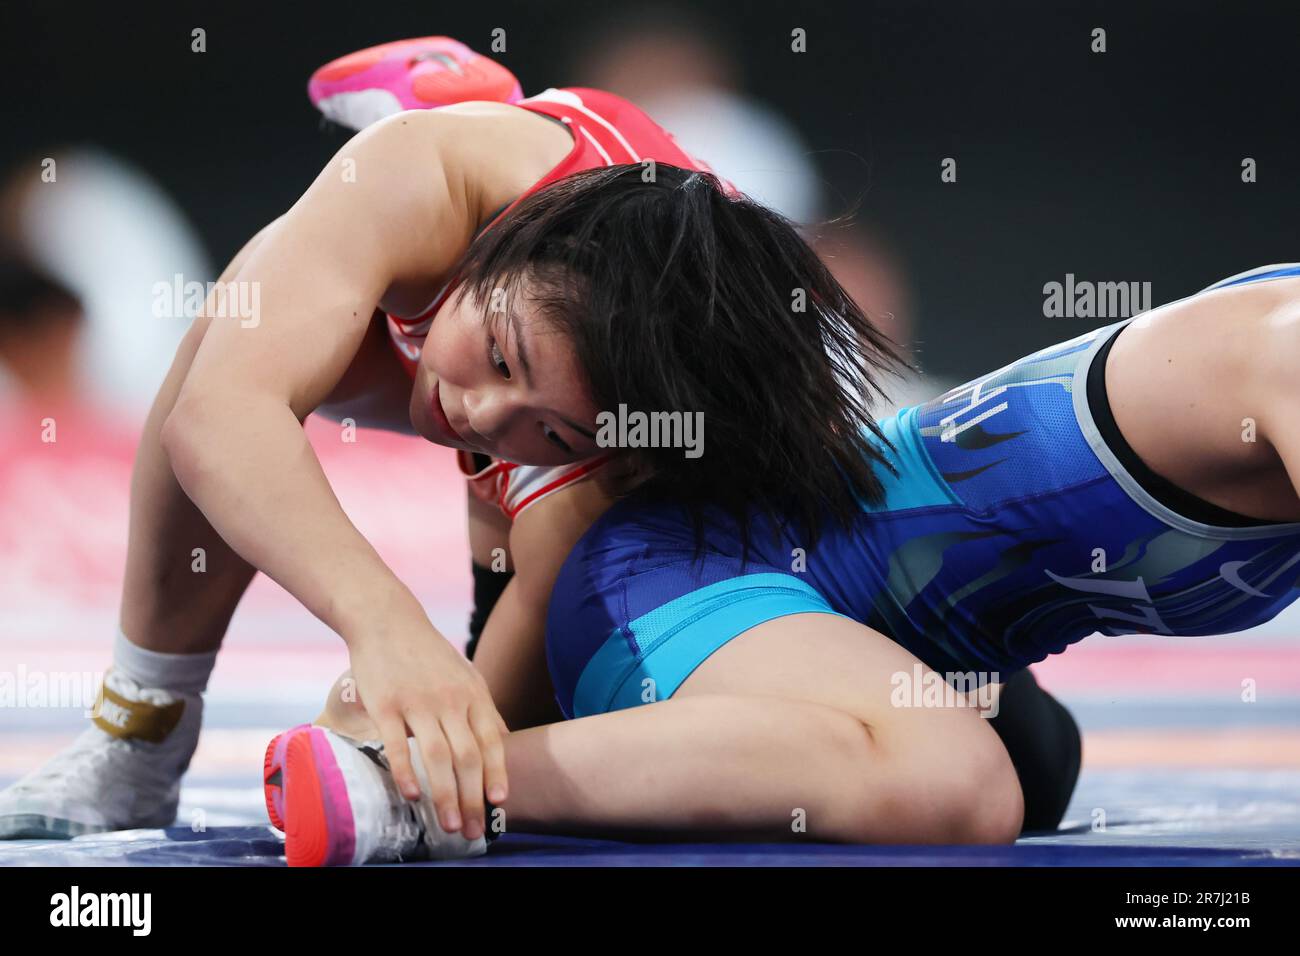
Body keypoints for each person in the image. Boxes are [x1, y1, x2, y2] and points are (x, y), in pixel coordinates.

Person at [0, 38, 1078, 852]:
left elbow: (490, 687)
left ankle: (486, 180)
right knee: (234, 332)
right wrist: (384, 629)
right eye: (499, 357)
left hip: (683, 469)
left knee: (1036, 758)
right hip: (536, 218)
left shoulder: (621, 457)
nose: (469, 412)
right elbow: (217, 417)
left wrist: (422, 723)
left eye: (540, 425)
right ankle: (139, 732)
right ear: (496, 247)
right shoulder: (414, 181)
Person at [271, 262, 1300, 863]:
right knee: (959, 784)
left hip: (863, 632)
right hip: (686, 571)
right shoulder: (1283, 347)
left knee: (1036, 766)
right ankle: (414, 782)